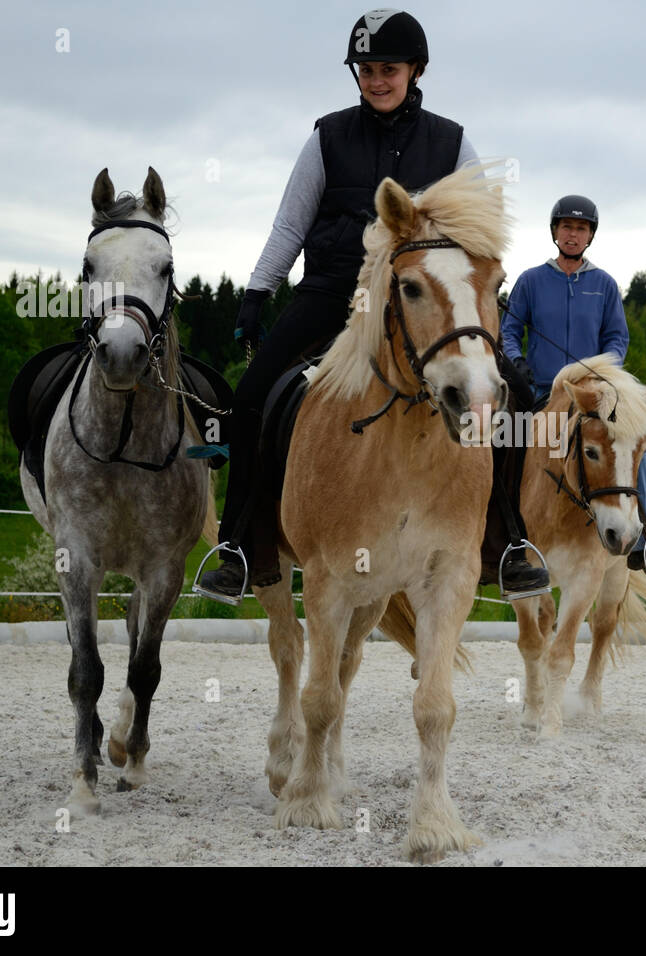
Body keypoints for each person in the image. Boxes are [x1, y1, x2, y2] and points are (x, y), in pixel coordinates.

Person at [196, 8, 549, 601]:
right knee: (254, 393)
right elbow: (291, 223)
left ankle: (509, 539)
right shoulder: (327, 135)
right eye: (364, 69)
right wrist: (259, 291)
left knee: (511, 395)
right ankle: (236, 544)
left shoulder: (454, 141)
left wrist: (481, 307)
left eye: (387, 68)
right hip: (337, 287)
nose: (375, 80)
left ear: (416, 69)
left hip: (423, 300)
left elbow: (483, 237)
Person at [499, 195, 646, 577]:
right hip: (541, 390)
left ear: (590, 235)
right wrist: (517, 362)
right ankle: (507, 540)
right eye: (566, 227)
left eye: (580, 229)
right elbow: (508, 331)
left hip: (593, 395)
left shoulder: (604, 285)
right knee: (502, 441)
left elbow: (616, 340)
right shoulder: (530, 281)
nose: (572, 234)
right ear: (555, 232)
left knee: (631, 443)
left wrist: (604, 376)